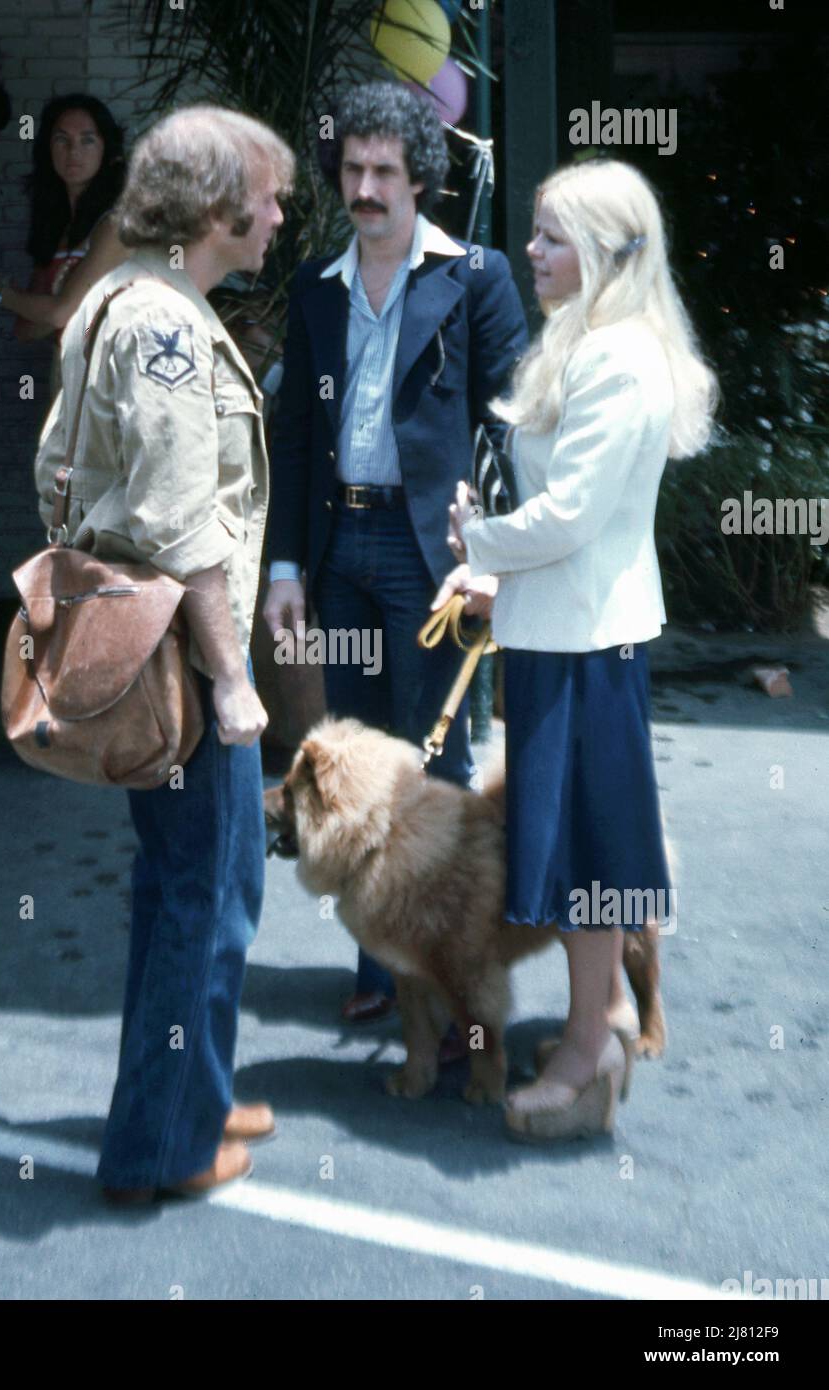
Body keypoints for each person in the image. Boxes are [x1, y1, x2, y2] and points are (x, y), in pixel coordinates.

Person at [34, 106, 294, 1201]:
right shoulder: (166, 327)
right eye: (269, 196)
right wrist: (233, 680)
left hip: (157, 647)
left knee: (198, 884)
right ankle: (162, 1146)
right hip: (181, 662)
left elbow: (65, 474)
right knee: (206, 896)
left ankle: (197, 1086)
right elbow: (185, 526)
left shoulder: (133, 302)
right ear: (215, 206)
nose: (282, 215)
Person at [436, 158, 716, 1141]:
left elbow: (569, 515)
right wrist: (497, 561)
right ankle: (592, 1030)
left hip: (583, 642)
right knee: (578, 853)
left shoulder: (618, 359)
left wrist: (478, 544)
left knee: (588, 857)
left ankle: (587, 1045)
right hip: (566, 633)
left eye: (551, 236)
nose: (531, 250)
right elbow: (562, 522)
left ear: (601, 252)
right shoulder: (593, 342)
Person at [263, 81, 528, 1023]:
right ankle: (384, 971)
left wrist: (493, 542)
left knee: (437, 768)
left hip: (432, 560)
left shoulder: (478, 279)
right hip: (339, 553)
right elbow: (293, 434)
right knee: (358, 771)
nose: (365, 187)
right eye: (352, 169)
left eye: (384, 170)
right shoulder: (313, 288)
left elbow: (513, 423)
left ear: (420, 177)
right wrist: (284, 569)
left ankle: (454, 972)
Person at [0, 95, 128, 394]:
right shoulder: (55, 227)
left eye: (87, 140)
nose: (73, 151)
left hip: (115, 371)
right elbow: (26, 329)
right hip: (67, 366)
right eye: (61, 140)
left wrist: (3, 295)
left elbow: (56, 314)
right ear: (47, 148)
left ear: (107, 148)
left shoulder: (116, 223)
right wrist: (52, 307)